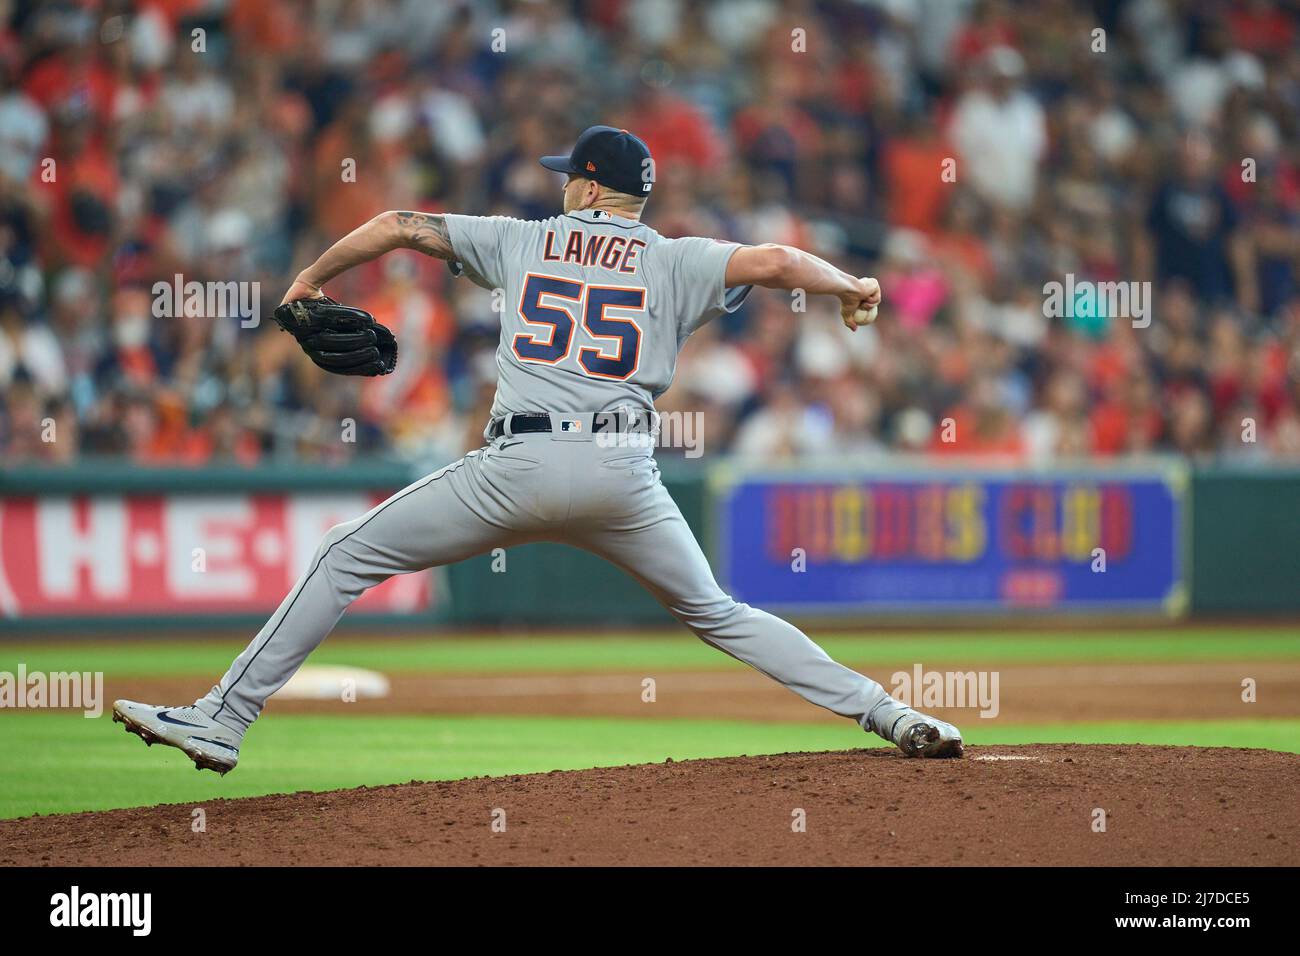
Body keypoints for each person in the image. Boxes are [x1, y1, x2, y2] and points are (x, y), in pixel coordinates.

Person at [112, 126, 962, 773]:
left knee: (344, 554)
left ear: (591, 188)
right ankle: (889, 713)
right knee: (717, 613)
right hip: (624, 475)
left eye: (571, 178)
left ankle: (223, 719)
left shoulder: (521, 239)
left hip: (517, 467)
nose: (562, 189)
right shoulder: (677, 259)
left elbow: (399, 224)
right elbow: (776, 259)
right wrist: (853, 286)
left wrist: (308, 284)